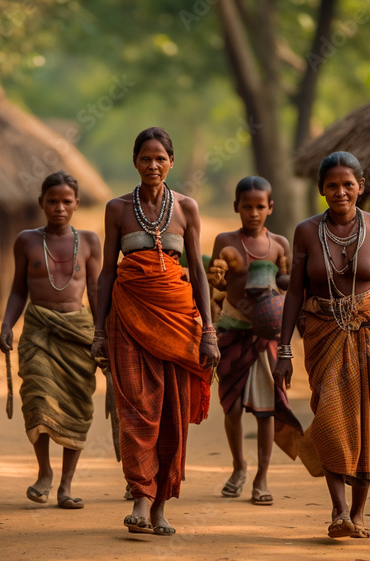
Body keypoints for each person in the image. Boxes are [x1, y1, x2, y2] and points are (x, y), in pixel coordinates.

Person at [91, 126, 221, 537]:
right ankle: (140, 499)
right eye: (145, 158)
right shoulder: (117, 208)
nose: (153, 165)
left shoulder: (187, 208)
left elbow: (198, 271)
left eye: (160, 158)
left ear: (171, 162)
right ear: (135, 162)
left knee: (172, 414)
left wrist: (210, 331)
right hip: (129, 321)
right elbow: (106, 273)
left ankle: (161, 505)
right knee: (136, 410)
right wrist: (98, 331)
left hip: (180, 324)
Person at [273, 152, 370, 539]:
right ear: (320, 190)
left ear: (361, 187)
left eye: (348, 184)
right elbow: (295, 294)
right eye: (331, 185)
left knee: (367, 423)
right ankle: (338, 510)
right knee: (331, 418)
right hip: (322, 335)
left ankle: (360, 514)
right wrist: (284, 352)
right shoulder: (306, 231)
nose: (340, 192)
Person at [0, 170, 103, 510]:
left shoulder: (89, 241)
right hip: (38, 329)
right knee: (38, 398)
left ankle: (66, 485)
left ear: (77, 204)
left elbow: (97, 292)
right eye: (52, 201)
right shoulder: (26, 241)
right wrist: (6, 325)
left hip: (78, 333)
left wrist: (103, 334)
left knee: (76, 406)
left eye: (66, 201)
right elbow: (18, 290)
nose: (59, 207)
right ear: (41, 202)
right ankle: (44, 473)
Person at [207, 176, 306, 506]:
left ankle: (262, 478)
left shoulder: (279, 244)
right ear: (236, 207)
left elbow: (287, 286)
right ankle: (239, 467)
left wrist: (288, 283)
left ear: (270, 207)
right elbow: (217, 284)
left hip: (265, 338)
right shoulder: (225, 240)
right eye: (246, 206)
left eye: (260, 206)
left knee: (266, 411)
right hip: (232, 332)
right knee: (232, 407)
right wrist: (218, 275)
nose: (253, 212)